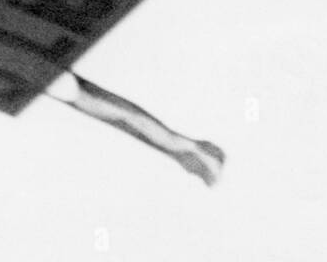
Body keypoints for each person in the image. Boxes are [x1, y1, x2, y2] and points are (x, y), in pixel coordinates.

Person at [44, 72, 225, 186]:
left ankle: (199, 155)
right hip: (73, 92)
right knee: (130, 119)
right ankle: (199, 154)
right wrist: (190, 150)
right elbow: (138, 122)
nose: (189, 171)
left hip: (73, 93)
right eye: (197, 170)